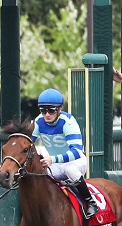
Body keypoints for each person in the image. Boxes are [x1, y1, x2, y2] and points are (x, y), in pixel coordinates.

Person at [31, 88, 97, 218]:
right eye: (43, 110)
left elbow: (77, 152)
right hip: (54, 164)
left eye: (51, 110)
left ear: (60, 109)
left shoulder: (68, 122)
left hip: (75, 162)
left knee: (69, 169)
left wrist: (53, 159)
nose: (47, 115)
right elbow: (27, 142)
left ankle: (90, 202)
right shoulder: (38, 121)